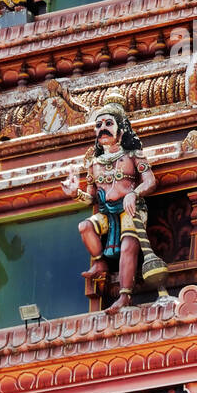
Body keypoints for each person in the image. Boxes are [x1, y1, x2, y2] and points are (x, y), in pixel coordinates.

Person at [61, 95, 170, 313]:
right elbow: (91, 196)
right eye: (99, 125)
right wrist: (76, 193)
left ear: (121, 130)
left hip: (130, 209)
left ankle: (124, 296)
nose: (103, 128)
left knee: (130, 246)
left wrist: (134, 194)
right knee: (85, 226)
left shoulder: (132, 155)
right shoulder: (94, 163)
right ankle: (100, 262)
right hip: (107, 212)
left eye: (108, 124)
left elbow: (150, 181)